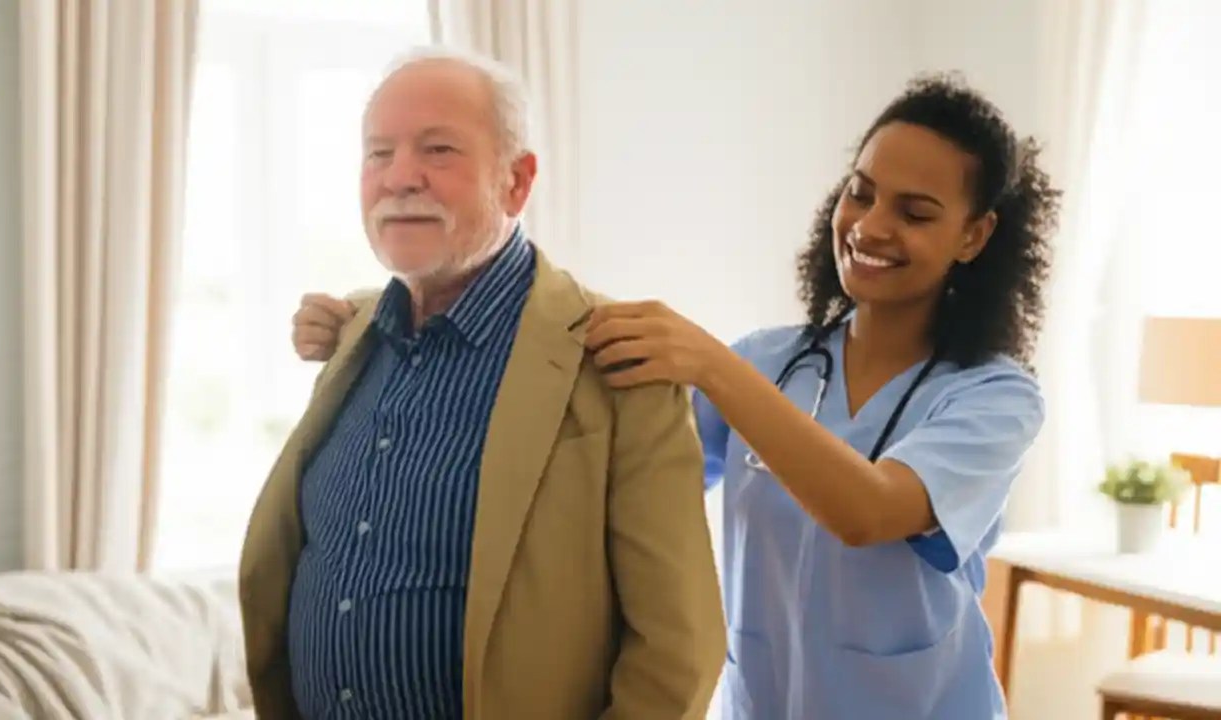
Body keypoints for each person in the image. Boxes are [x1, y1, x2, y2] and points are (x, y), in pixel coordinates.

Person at [293, 73, 1060, 719]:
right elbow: (591, 455)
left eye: (915, 212)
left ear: (975, 235)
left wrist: (712, 367)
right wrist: (380, 325)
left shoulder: (996, 397)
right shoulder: (779, 361)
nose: (870, 225)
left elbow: (868, 511)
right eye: (860, 194)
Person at [241, 47, 726, 720]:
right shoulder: (353, 338)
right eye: (378, 153)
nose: (400, 177)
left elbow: (680, 650)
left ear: (517, 182)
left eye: (438, 150)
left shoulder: (618, 360)